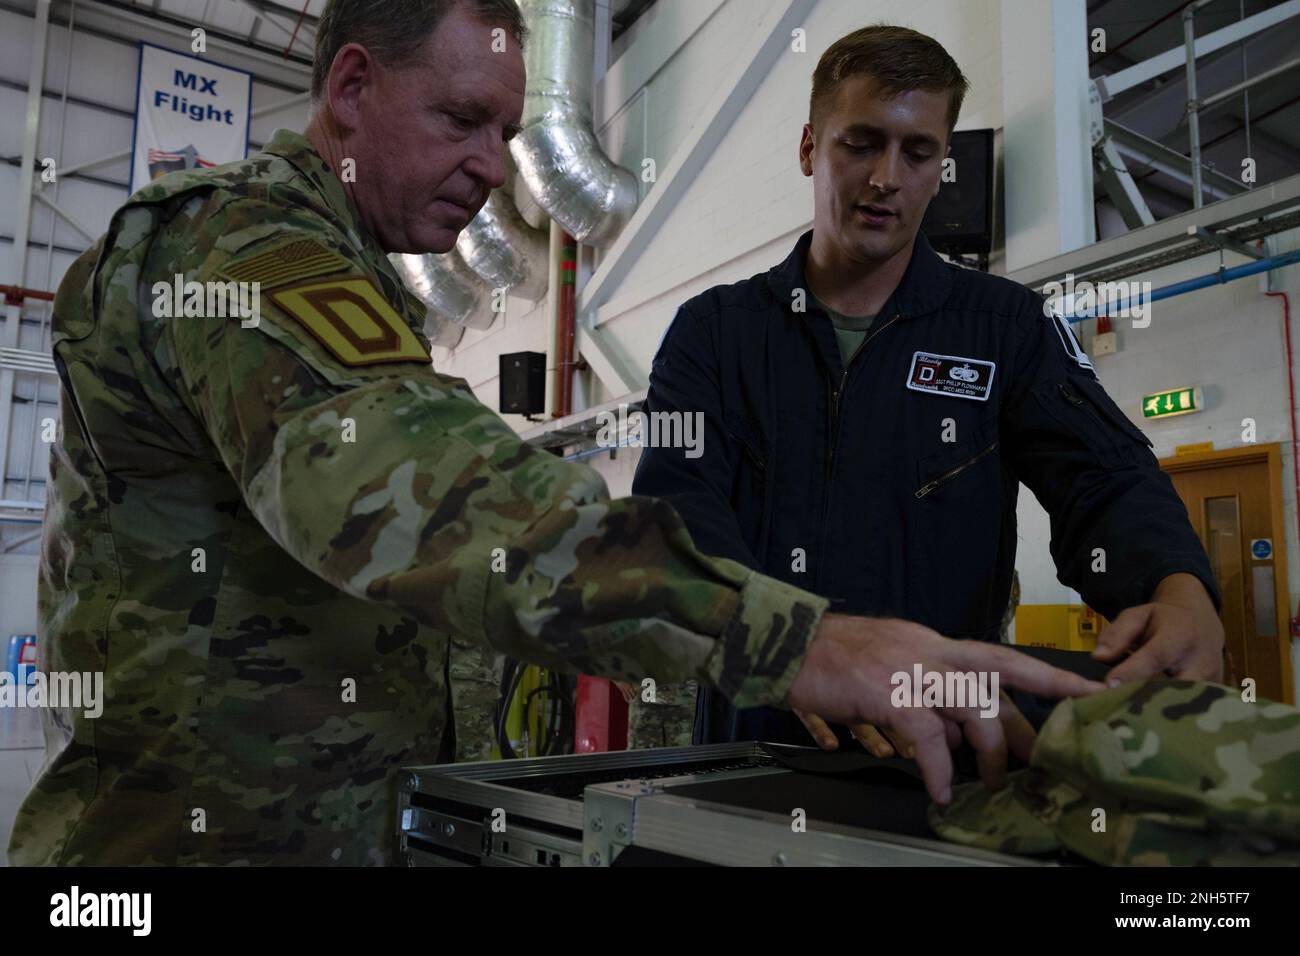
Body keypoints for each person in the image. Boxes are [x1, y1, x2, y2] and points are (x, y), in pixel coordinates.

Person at [9, 3, 1102, 866]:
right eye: (460, 119)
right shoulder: (237, 242)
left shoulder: (350, 280)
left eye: (508, 131)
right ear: (351, 86)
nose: (492, 168)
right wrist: (799, 639)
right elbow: (417, 490)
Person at [632, 25, 1224, 756]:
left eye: (917, 153)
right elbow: (675, 513)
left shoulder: (1005, 329)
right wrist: (792, 648)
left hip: (945, 742)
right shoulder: (713, 334)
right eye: (861, 143)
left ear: (941, 163)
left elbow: (1105, 479)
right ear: (810, 146)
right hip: (755, 744)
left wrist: (1177, 585)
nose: (887, 176)